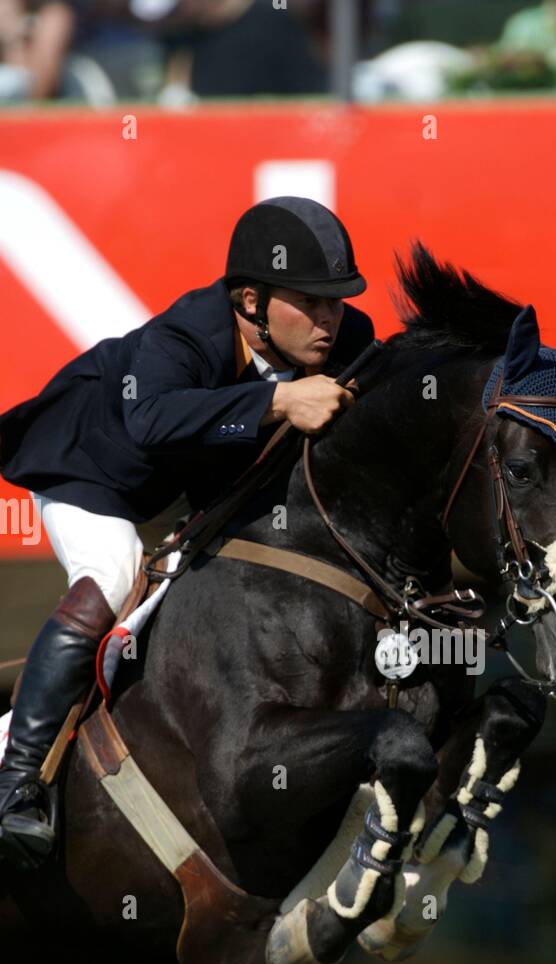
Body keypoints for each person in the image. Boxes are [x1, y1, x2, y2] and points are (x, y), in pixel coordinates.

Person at [0, 195, 372, 869]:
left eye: (336, 302)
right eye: (310, 302)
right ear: (251, 301)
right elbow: (152, 423)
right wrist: (281, 398)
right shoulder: (187, 333)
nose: (328, 319)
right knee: (112, 575)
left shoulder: (344, 340)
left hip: (186, 490)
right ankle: (17, 781)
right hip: (93, 471)